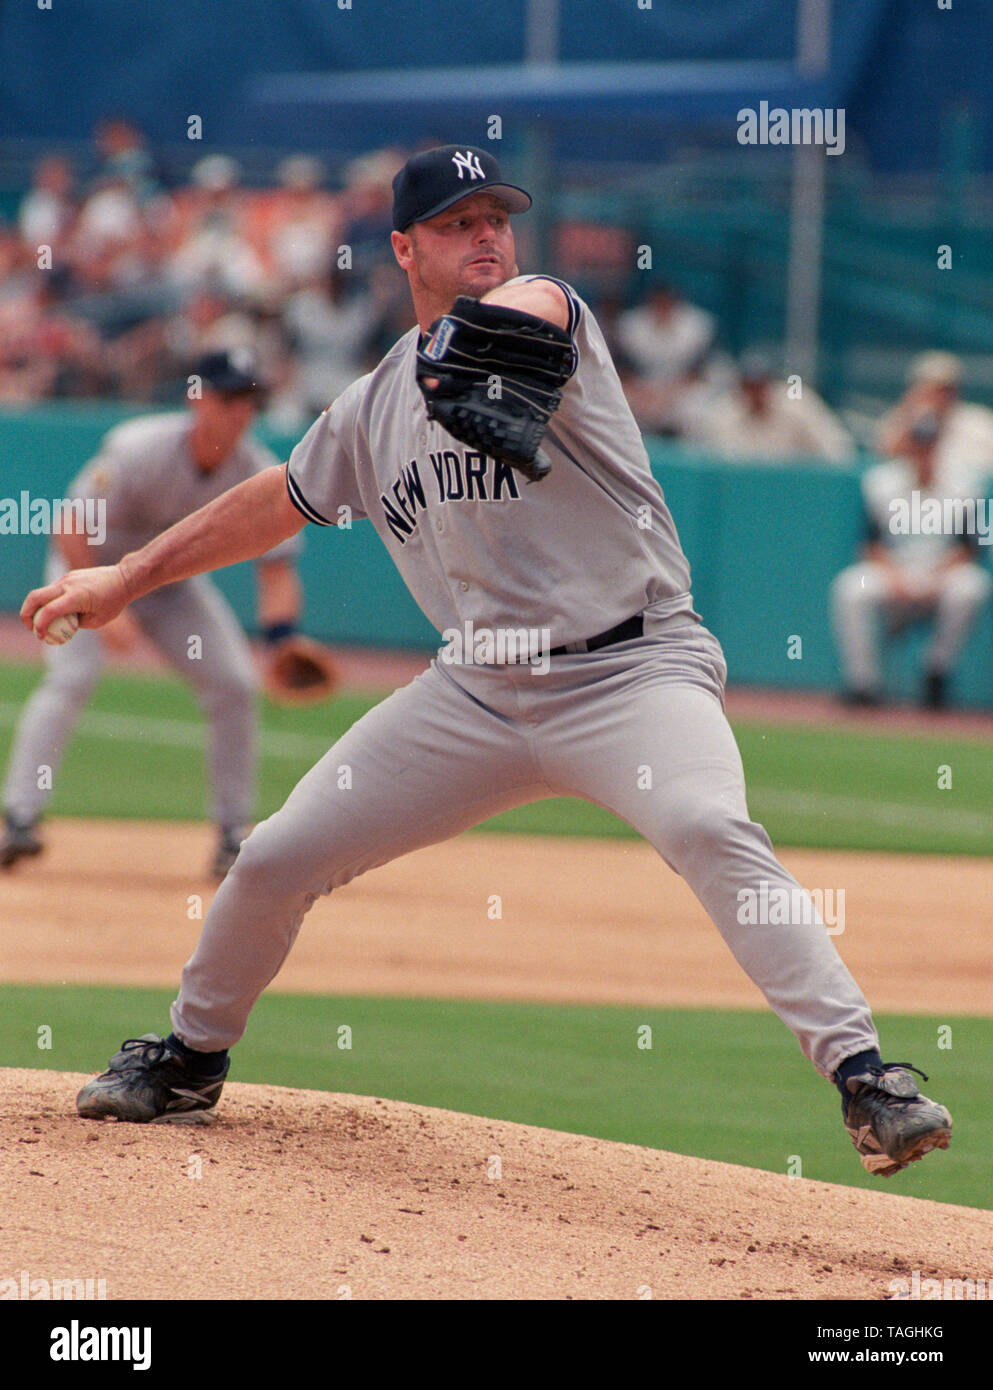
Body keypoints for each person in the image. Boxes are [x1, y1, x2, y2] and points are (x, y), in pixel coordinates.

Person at [24, 145, 951, 1179]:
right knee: (276, 856)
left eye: (496, 218)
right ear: (402, 247)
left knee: (706, 822)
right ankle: (191, 1054)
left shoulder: (550, 320)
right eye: (459, 223)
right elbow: (277, 498)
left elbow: (544, 304)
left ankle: (868, 1078)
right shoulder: (378, 403)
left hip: (632, 674)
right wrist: (126, 578)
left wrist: (484, 344)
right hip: (475, 693)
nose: (487, 236)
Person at [3, 348, 302, 878]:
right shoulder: (139, 447)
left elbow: (276, 572)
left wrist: (281, 642)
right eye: (229, 397)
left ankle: (233, 835)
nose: (240, 412)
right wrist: (112, 610)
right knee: (74, 676)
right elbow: (71, 526)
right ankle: (19, 818)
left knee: (233, 683)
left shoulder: (255, 470)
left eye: (249, 401)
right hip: (88, 569)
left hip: (165, 584)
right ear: (197, 398)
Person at [831, 411, 992, 709]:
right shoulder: (881, 482)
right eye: (919, 442)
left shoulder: (967, 485)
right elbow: (870, 544)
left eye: (930, 443)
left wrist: (934, 579)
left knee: (972, 585)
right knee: (850, 586)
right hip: (893, 574)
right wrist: (896, 578)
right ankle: (863, 683)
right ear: (910, 446)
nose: (924, 450)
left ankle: (936, 672)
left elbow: (971, 549)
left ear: (939, 445)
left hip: (942, 576)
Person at [689, 350, 855, 464]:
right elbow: (710, 462)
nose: (756, 393)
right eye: (750, 386)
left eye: (761, 385)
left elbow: (839, 450)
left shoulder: (799, 403)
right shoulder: (723, 412)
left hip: (795, 492)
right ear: (740, 387)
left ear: (771, 383)